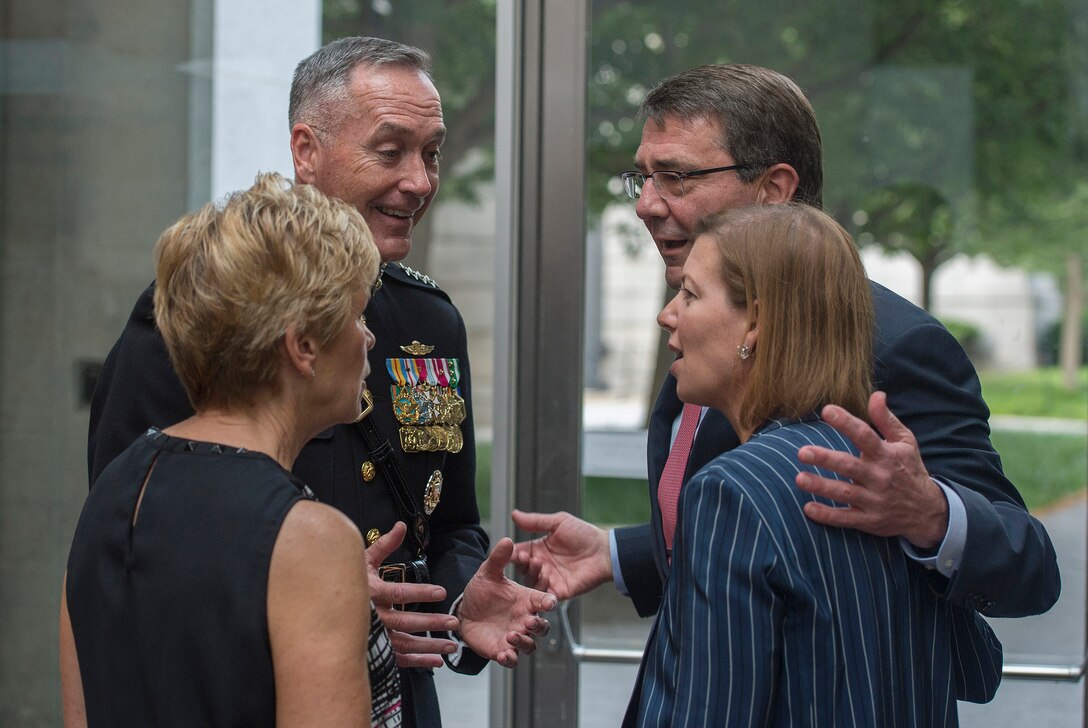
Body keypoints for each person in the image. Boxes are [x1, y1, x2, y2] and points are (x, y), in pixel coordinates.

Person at [87, 37, 556, 727]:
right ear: (306, 150)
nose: (421, 182)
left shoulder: (429, 320)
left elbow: (450, 523)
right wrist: (318, 599)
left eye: (431, 154)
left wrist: (456, 606)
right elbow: (128, 543)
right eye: (390, 151)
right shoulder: (192, 318)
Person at [512, 63, 1059, 620]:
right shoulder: (700, 326)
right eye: (643, 178)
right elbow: (760, 527)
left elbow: (1029, 567)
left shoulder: (896, 345)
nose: (646, 204)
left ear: (774, 189)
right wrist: (615, 553)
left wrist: (929, 515)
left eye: (676, 177)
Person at [627, 204, 1002, 726]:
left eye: (690, 294)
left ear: (754, 323)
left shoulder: (732, 491)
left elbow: (708, 709)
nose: (668, 314)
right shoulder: (886, 483)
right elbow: (977, 669)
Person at [63, 172, 400, 726]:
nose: (368, 338)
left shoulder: (112, 496)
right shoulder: (310, 539)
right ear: (304, 346)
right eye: (357, 315)